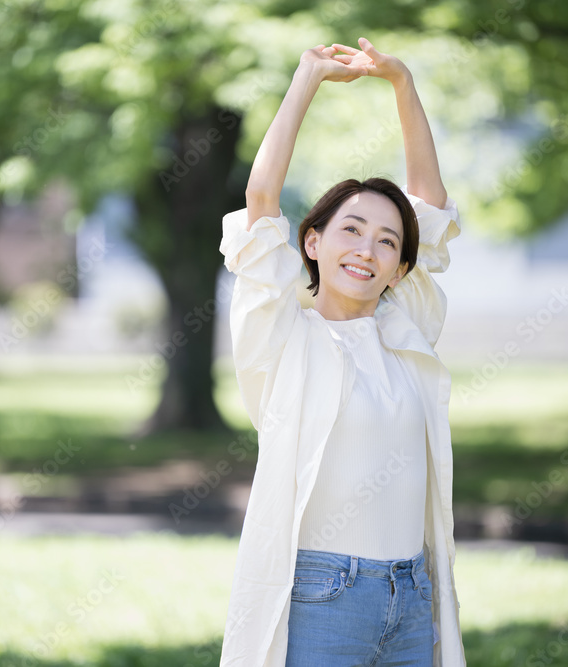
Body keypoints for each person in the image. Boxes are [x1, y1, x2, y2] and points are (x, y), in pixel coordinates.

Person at [218, 37, 465, 666]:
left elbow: (430, 206)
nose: (366, 249)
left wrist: (402, 83)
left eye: (387, 241)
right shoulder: (284, 337)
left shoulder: (404, 332)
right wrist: (306, 78)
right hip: (323, 597)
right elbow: (260, 203)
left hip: (412, 595)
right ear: (312, 243)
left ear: (399, 268)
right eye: (351, 229)